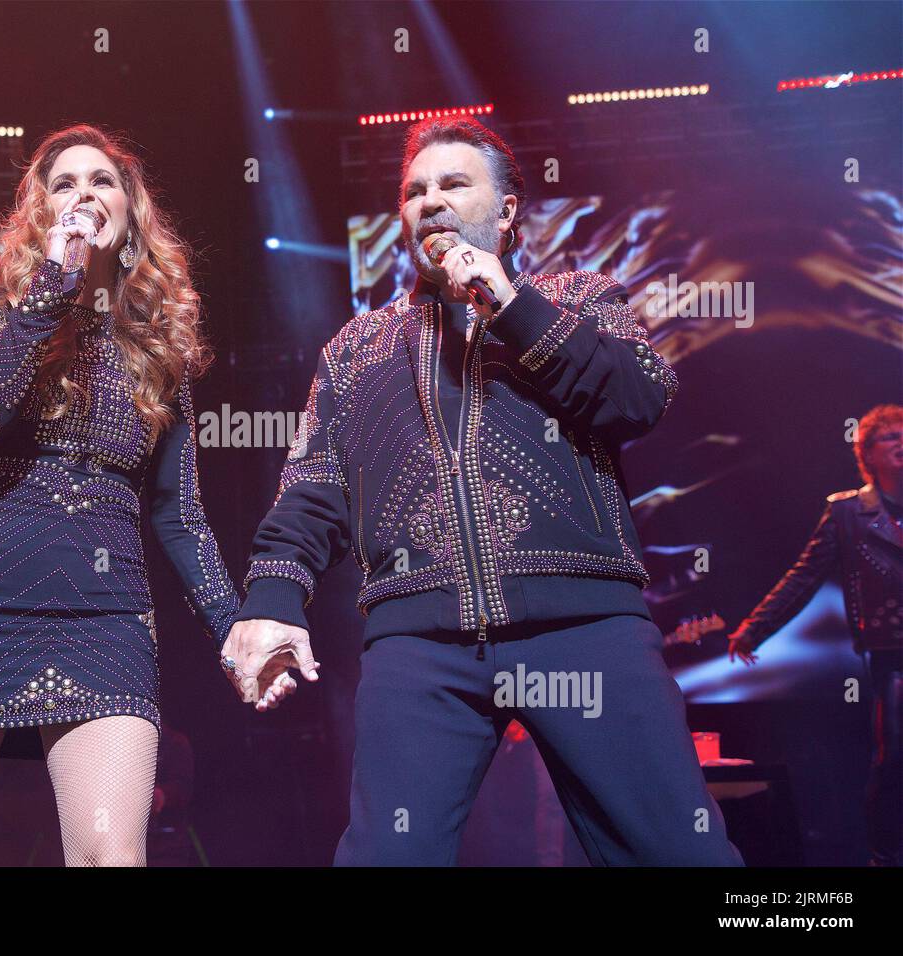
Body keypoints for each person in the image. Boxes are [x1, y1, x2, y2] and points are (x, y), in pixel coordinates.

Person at [223, 116, 744, 866]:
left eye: (453, 184)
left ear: (505, 210)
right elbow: (312, 486)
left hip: (582, 626)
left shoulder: (579, 298)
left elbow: (638, 398)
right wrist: (271, 599)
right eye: (414, 191)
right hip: (419, 645)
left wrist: (513, 306)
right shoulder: (355, 348)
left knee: (672, 851)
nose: (430, 200)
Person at [0, 124, 239, 867]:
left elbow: (179, 512)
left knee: (112, 854)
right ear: (40, 212)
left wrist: (234, 628)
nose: (82, 196)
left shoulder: (158, 343)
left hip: (102, 624)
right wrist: (52, 284)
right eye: (63, 185)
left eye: (100, 182)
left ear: (130, 211)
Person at [729, 403, 903, 865]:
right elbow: (804, 576)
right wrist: (756, 628)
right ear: (866, 453)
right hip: (893, 653)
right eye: (890, 437)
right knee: (896, 757)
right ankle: (886, 856)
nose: (902, 442)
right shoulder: (847, 513)